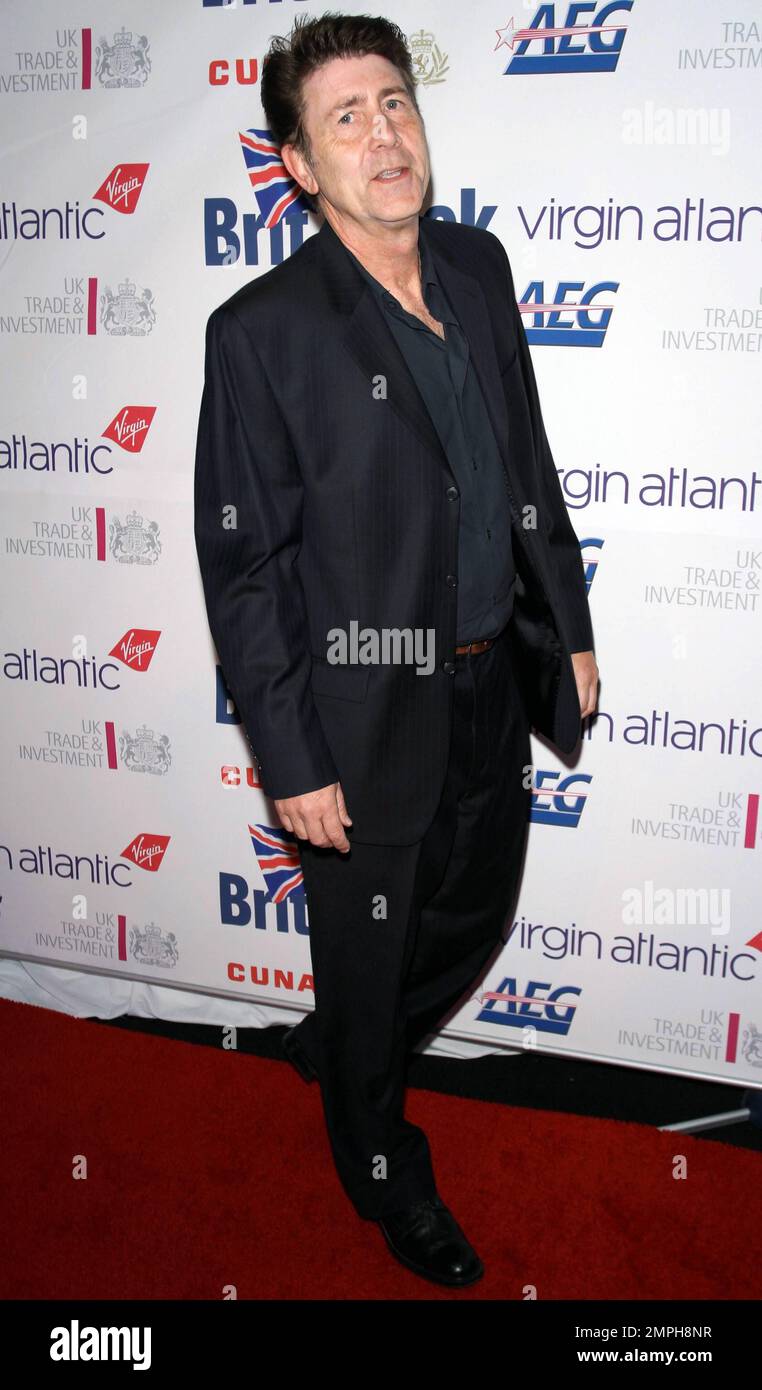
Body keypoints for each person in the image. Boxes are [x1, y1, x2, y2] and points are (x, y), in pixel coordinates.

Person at [193, 12, 598, 1289]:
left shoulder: (477, 267)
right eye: (347, 119)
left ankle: (349, 1038)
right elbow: (245, 565)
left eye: (396, 102)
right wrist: (290, 754)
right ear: (301, 166)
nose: (385, 135)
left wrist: (569, 626)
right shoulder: (262, 333)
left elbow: (524, 463)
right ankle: (382, 1172)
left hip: (492, 676)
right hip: (361, 720)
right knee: (371, 953)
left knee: (472, 916)